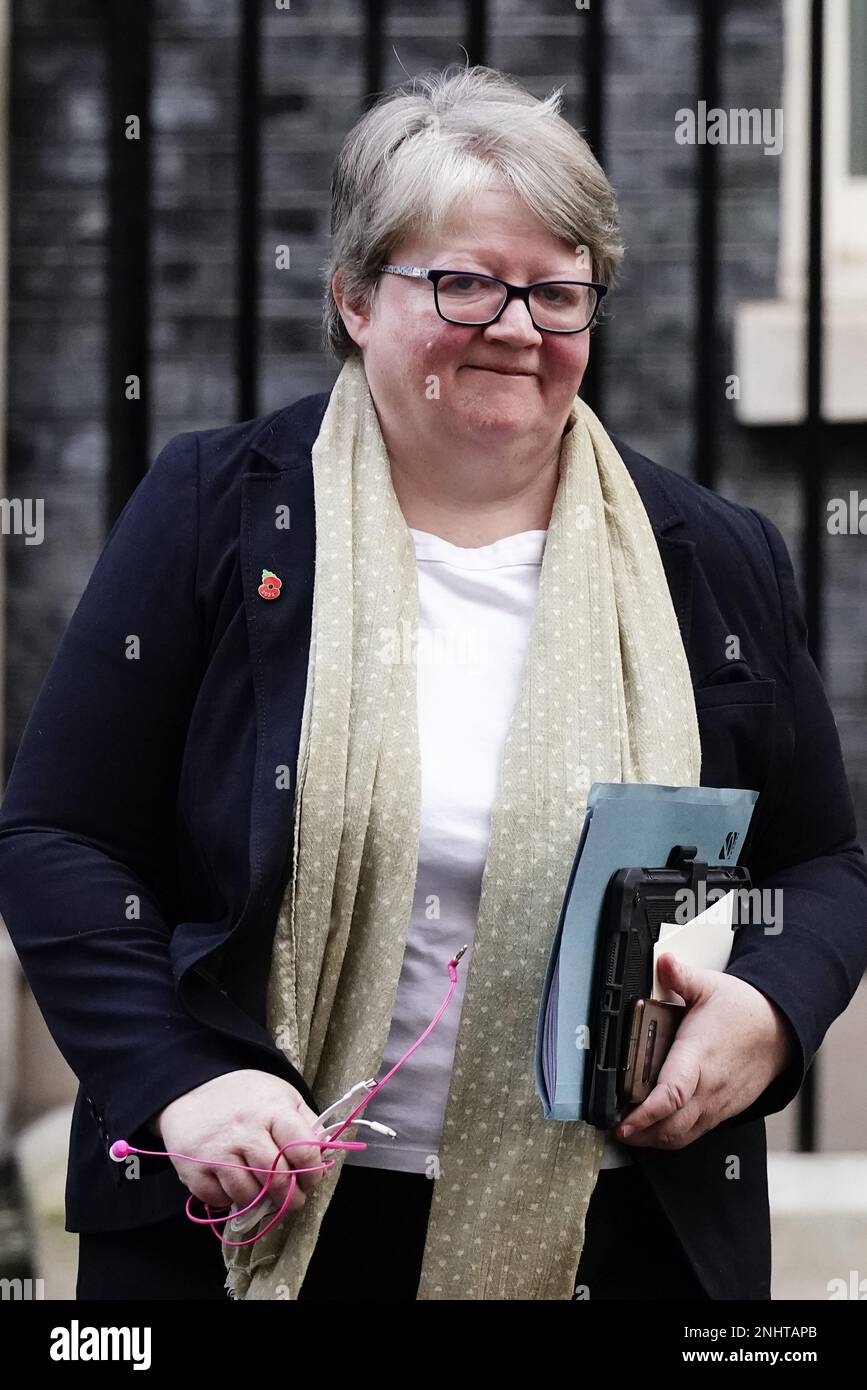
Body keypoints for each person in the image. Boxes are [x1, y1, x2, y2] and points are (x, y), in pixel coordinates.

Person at [1, 63, 866, 1302]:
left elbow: (823, 863)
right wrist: (185, 1078)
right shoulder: (215, 513)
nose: (518, 325)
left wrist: (773, 1011)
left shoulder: (711, 559)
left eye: (560, 292)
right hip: (265, 1215)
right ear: (354, 296)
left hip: (615, 1236)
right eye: (465, 280)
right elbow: (60, 833)